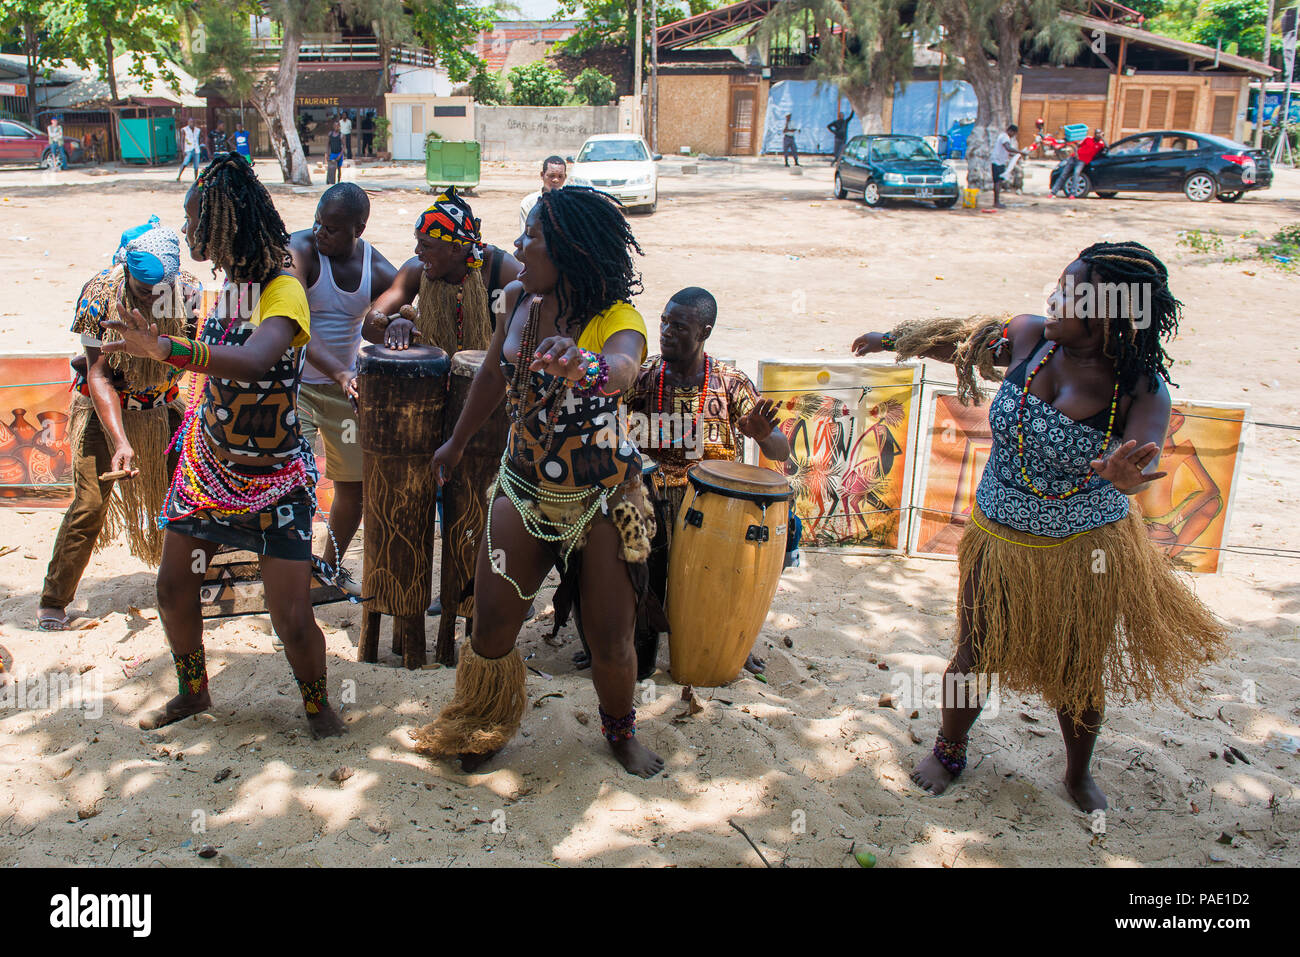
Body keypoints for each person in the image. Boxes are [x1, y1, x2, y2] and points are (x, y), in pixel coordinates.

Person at [851, 241, 1227, 812]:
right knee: (974, 649)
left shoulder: (1140, 387)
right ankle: (951, 749)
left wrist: (1125, 474)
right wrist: (894, 339)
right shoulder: (1031, 338)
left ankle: (1077, 774)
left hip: (1086, 546)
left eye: (1071, 293)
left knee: (1078, 662)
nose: (1054, 298)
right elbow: (964, 339)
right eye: (1058, 285)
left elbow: (1146, 459)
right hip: (999, 535)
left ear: (1108, 313)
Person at [415, 185, 665, 777]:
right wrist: (456, 440)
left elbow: (624, 369)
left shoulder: (615, 319)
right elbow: (496, 376)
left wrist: (590, 365)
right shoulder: (516, 297)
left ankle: (619, 733)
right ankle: (482, 721)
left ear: (574, 253)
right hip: (522, 489)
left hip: (603, 499)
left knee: (608, 639)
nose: (521, 246)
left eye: (536, 239)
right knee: (493, 624)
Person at [100, 152, 346, 740]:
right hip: (207, 470)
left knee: (291, 616)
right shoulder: (230, 287)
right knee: (173, 588)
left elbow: (261, 358)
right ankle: (194, 692)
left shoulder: (283, 287)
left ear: (224, 224)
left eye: (194, 221)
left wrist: (172, 352)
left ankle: (319, 709)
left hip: (274, 481)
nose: (187, 234)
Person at [361, 187, 523, 618]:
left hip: (491, 402)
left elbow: (535, 313)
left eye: (428, 245)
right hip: (436, 403)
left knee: (489, 497)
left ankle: (502, 592)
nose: (418, 252)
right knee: (445, 495)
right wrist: (394, 321)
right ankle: (452, 587)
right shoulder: (416, 271)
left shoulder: (500, 269)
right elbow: (371, 323)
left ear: (457, 247)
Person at [616, 286, 791, 678]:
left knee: (717, 587)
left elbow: (780, 451)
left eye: (678, 326)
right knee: (639, 584)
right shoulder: (642, 379)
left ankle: (730, 643)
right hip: (652, 499)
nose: (666, 331)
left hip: (711, 507)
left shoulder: (729, 383)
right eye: (663, 321)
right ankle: (620, 645)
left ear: (704, 332)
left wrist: (762, 433)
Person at [37, 219, 201, 631]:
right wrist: (121, 440)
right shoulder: (98, 296)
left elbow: (191, 353)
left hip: (164, 408)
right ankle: (54, 597)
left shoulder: (187, 292)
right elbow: (98, 376)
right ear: (126, 269)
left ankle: (188, 586)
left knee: (188, 501)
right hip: (104, 408)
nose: (150, 297)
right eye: (142, 289)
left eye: (156, 291)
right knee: (90, 504)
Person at [288, 183, 398, 595]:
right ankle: (289, 570)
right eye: (318, 221)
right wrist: (340, 374)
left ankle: (328, 570)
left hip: (342, 391)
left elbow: (402, 308)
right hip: (295, 384)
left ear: (359, 228)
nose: (320, 232)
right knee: (288, 481)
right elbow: (296, 328)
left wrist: (399, 320)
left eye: (332, 229)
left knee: (354, 485)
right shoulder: (299, 251)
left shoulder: (378, 270)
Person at [1052, 128, 1106, 198]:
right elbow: (1078, 146)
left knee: (1076, 174)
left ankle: (1072, 194)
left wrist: (1102, 138)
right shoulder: (1088, 139)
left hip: (1082, 161)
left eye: (1099, 134)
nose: (1097, 135)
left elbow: (1107, 147)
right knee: (1064, 174)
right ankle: (1053, 192)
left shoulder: (1100, 144)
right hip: (1074, 158)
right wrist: (1076, 153)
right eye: (1096, 134)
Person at [519, 155, 567, 232]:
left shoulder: (569, 204)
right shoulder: (529, 203)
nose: (556, 180)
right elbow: (525, 235)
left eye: (560, 176)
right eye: (552, 176)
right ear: (542, 175)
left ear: (565, 177)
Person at [989, 123, 1022, 209]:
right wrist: (1019, 152)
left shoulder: (1003, 136)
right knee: (997, 182)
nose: (1013, 136)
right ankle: (996, 202)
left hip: (999, 161)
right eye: (1013, 134)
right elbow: (1008, 148)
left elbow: (1007, 151)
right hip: (997, 162)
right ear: (1011, 131)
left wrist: (1015, 155)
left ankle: (997, 201)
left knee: (998, 181)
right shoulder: (1005, 137)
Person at [326, 121, 343, 185]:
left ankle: (338, 182)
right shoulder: (330, 134)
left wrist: (340, 155)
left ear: (339, 127)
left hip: (339, 153)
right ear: (333, 126)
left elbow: (344, 146)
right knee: (331, 168)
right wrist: (327, 154)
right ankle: (330, 181)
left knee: (339, 168)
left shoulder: (341, 135)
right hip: (332, 153)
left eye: (337, 126)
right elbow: (328, 144)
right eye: (335, 126)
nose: (336, 127)